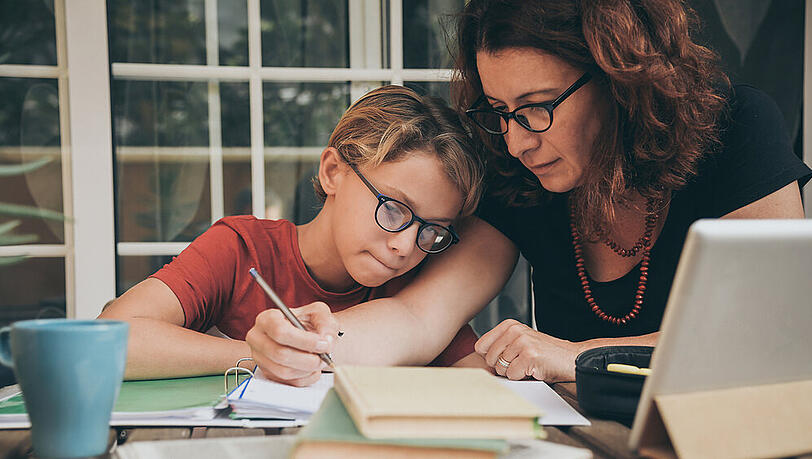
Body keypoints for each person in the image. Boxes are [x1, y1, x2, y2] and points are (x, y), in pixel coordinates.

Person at [244, 0, 811, 385]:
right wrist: (311, 341)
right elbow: (417, 319)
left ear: (619, 78)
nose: (515, 141)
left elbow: (776, 337)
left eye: (536, 107)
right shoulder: (521, 177)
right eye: (499, 112)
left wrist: (574, 355)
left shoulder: (733, 128)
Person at [99, 85, 487, 385]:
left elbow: (480, 382)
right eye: (393, 209)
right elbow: (108, 340)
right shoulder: (241, 249)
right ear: (333, 172)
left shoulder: (417, 287)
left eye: (432, 230)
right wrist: (260, 356)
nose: (405, 246)